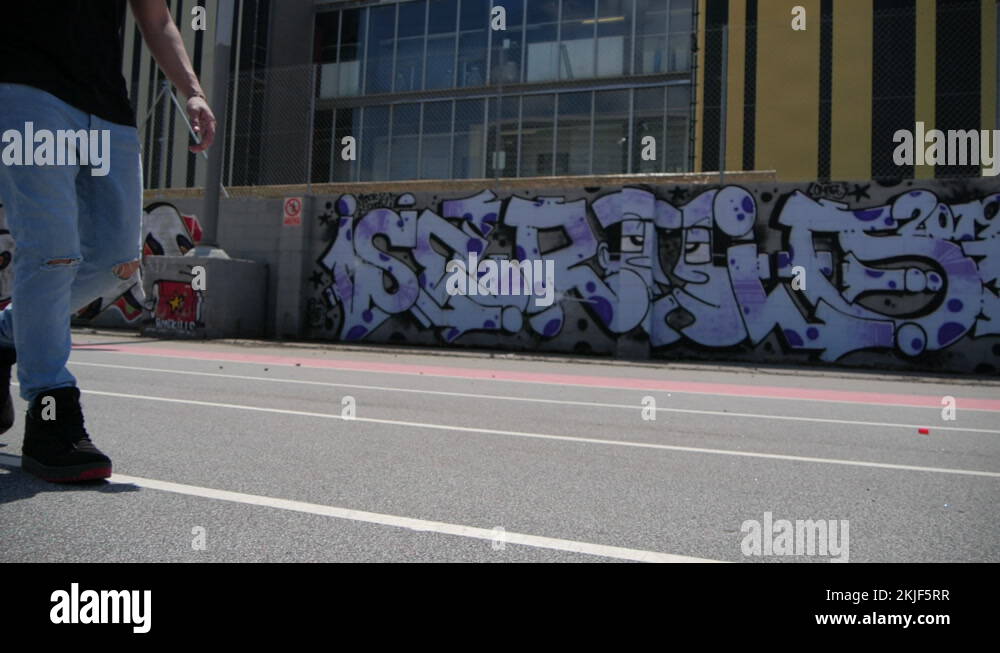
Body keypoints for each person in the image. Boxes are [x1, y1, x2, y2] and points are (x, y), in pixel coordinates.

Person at [0, 1, 216, 482]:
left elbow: (156, 18)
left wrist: (193, 92)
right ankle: (52, 411)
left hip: (106, 108)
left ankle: (5, 334)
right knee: (52, 252)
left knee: (115, 263)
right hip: (27, 87)